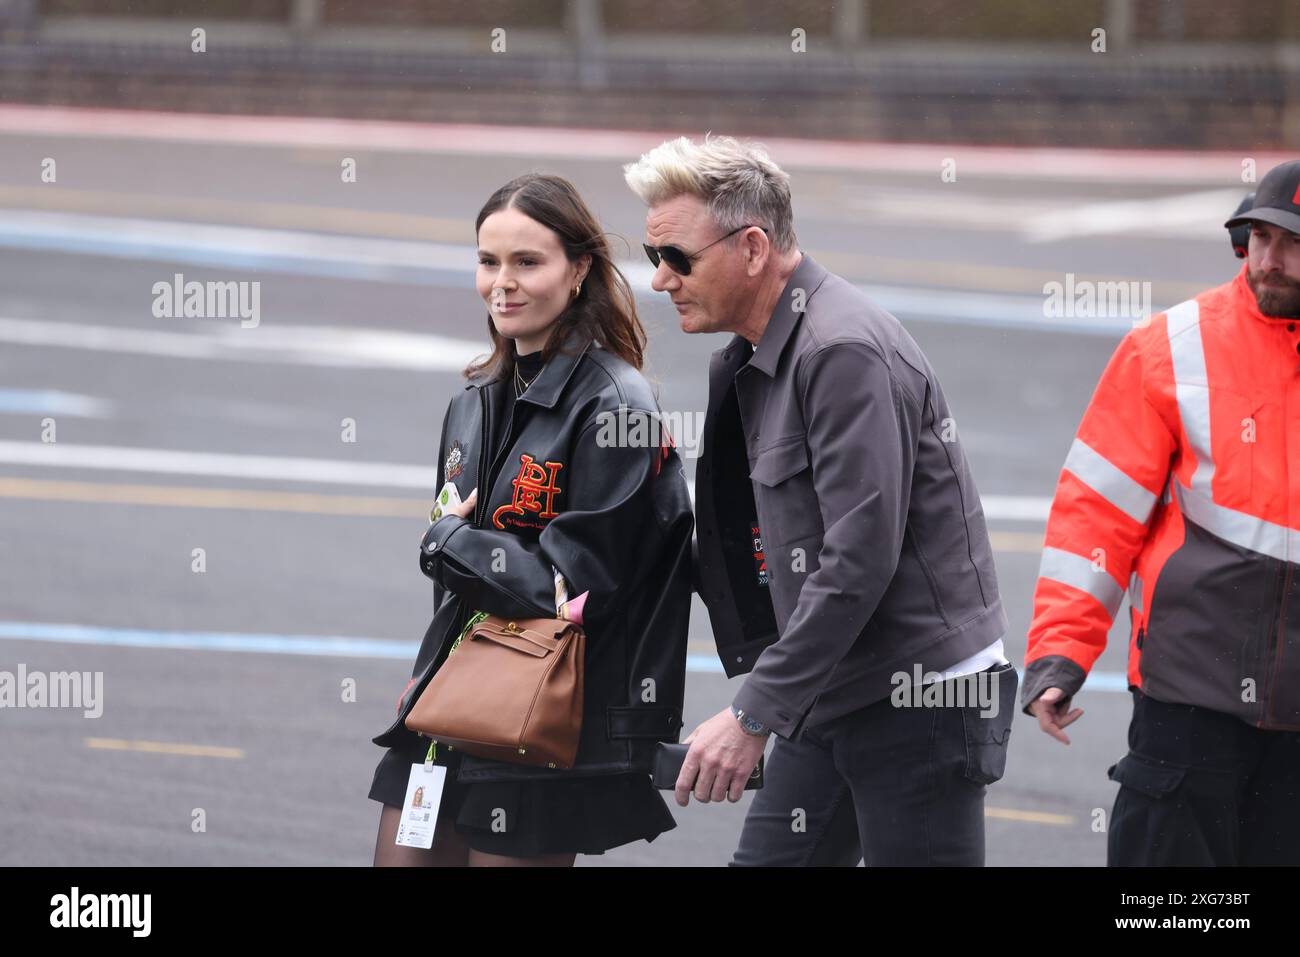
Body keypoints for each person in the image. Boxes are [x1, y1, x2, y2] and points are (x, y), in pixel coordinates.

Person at [623, 134, 1017, 866]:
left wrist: (752, 711)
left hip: (916, 698)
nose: (660, 280)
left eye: (677, 258)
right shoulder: (761, 349)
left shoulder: (841, 352)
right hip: (833, 683)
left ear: (751, 247)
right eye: (653, 258)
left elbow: (858, 559)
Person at [368, 172, 694, 867]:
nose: (502, 283)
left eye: (527, 262)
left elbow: (577, 592)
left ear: (578, 270)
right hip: (447, 706)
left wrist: (451, 539)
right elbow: (456, 578)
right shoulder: (472, 402)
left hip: (540, 718)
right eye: (488, 262)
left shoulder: (618, 408)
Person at [1022, 159, 1300, 866]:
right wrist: (1062, 650)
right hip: (1188, 705)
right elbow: (1096, 513)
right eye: (1260, 236)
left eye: (1292, 242)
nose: (1270, 259)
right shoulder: (1171, 347)